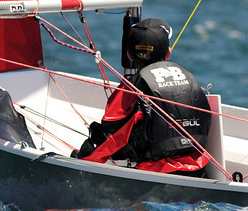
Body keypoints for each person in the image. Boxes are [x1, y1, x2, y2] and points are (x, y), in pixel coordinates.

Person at [73, 18, 211, 176]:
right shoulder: (190, 78)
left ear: (129, 56)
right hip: (200, 169)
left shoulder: (131, 88)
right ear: (168, 52)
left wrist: (82, 160)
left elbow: (109, 138)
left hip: (154, 175)